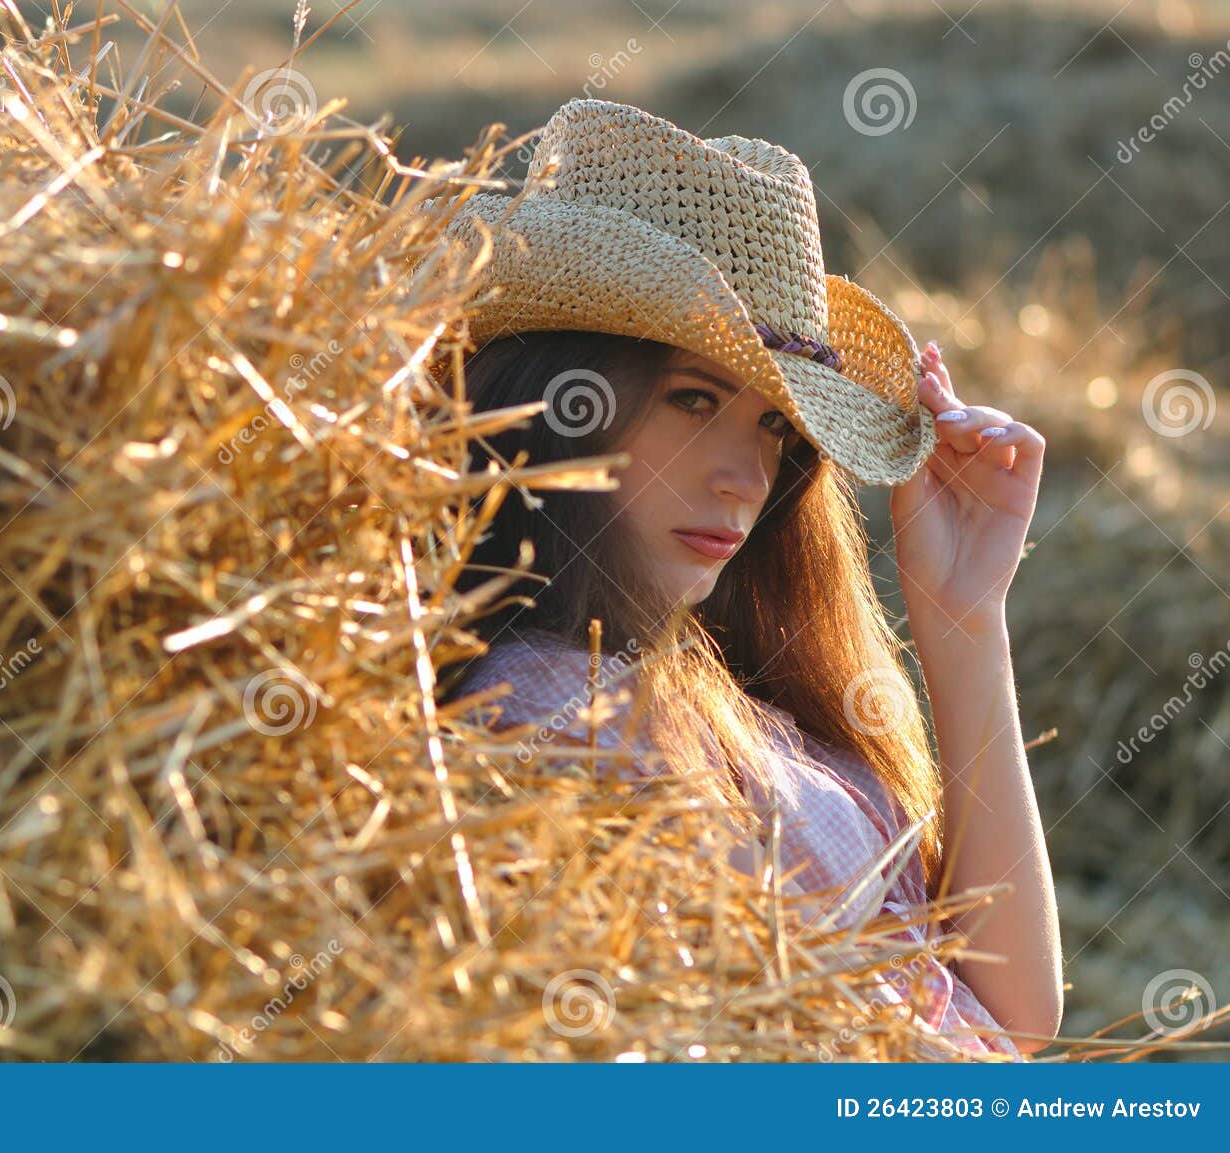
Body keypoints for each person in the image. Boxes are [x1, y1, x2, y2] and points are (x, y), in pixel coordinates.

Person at [432, 98, 1062, 1059]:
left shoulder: (735, 685)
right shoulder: (547, 720)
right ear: (558, 398)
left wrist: (965, 617)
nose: (745, 478)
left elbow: (1014, 1013)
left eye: (774, 425)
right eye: (692, 399)